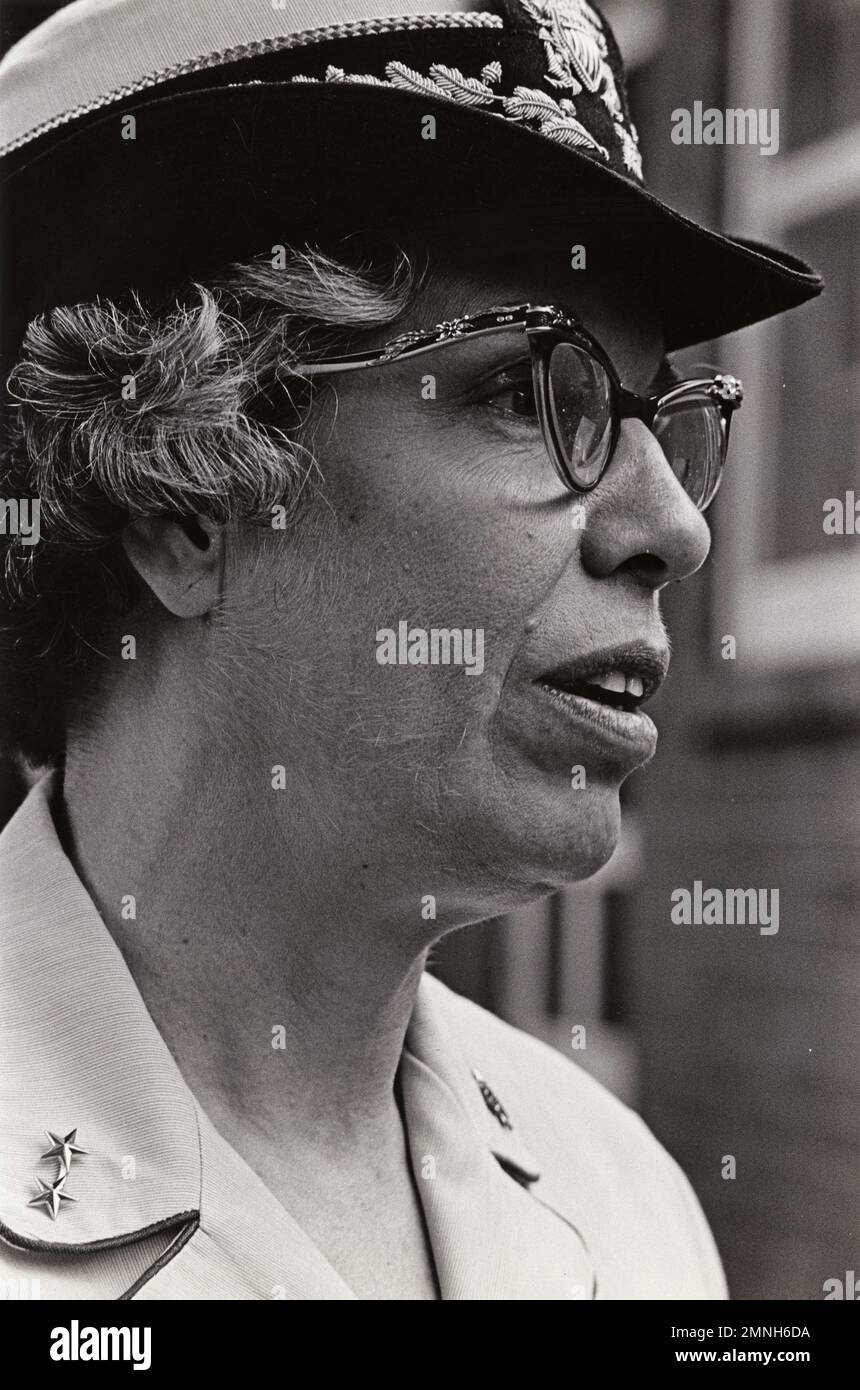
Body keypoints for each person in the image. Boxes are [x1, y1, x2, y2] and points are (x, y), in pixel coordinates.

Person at [0, 0, 820, 1300]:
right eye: (526, 389)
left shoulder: (622, 1200)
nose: (674, 524)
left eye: (661, 413)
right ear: (180, 499)